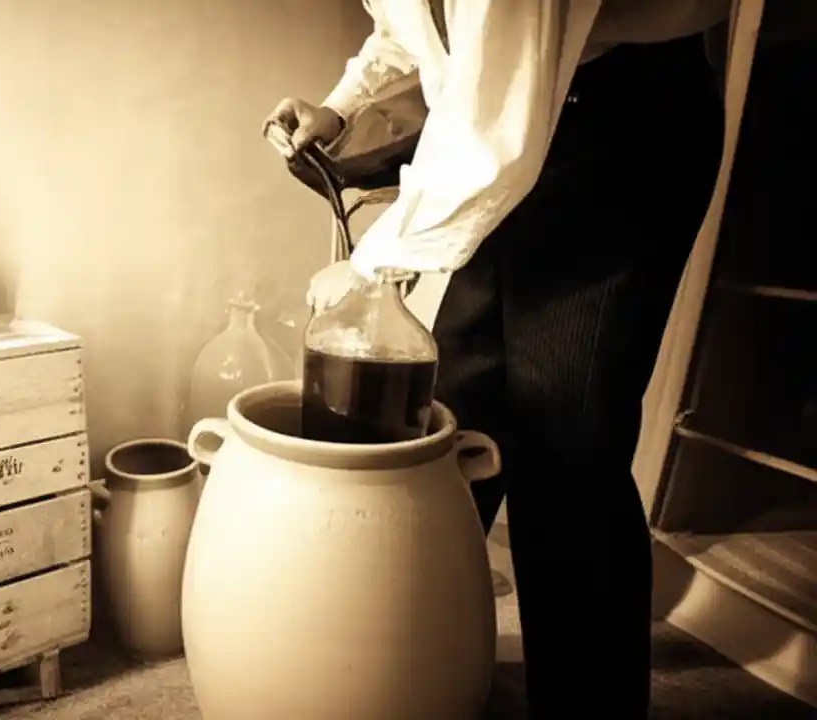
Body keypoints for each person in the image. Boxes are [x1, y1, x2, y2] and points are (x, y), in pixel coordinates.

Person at [265, 1, 730, 717]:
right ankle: (404, 671)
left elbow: (495, 135)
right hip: (517, 108)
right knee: (457, 403)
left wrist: (367, 268)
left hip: (626, 120)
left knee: (567, 440)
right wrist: (339, 107)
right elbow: (410, 29)